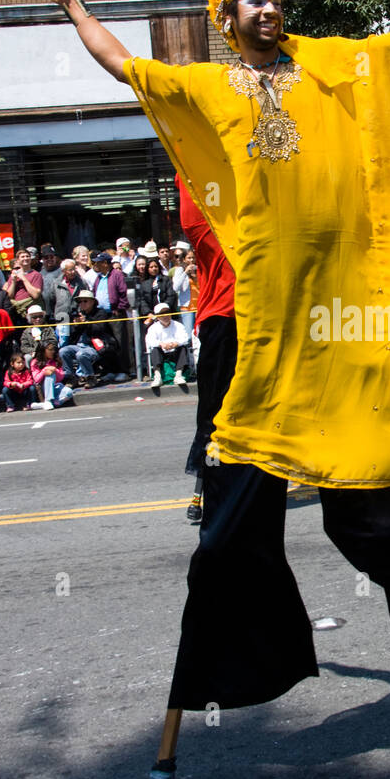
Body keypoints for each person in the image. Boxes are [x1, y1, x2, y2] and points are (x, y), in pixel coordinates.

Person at [27, 0, 390, 779]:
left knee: (384, 512)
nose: (273, 9)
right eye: (256, 1)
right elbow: (124, 64)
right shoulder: (206, 86)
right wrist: (70, 2)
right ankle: (194, 715)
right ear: (226, 17)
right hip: (259, 337)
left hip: (340, 333)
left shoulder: (323, 64)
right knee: (228, 541)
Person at [176, 171, 237, 524]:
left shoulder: (247, 227)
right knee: (214, 413)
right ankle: (203, 489)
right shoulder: (208, 233)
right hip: (224, 321)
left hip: (241, 320)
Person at [59, 290, 121, 384]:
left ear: (92, 302)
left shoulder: (100, 313)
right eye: (80, 301)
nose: (82, 303)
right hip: (79, 345)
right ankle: (71, 378)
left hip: (94, 346)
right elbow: (73, 336)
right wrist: (76, 325)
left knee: (81, 354)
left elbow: (99, 330)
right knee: (63, 351)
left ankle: (90, 378)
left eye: (85, 301)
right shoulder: (79, 315)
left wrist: (86, 323)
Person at [145, 302, 191, 391]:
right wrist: (161, 344)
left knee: (182, 348)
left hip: (174, 351)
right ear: (157, 317)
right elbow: (150, 340)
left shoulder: (178, 325)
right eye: (162, 314)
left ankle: (178, 375)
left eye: (167, 313)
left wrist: (176, 343)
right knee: (155, 350)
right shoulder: (153, 328)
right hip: (163, 352)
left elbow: (184, 338)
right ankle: (157, 376)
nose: (165, 316)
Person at [31, 339, 75, 409]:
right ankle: (48, 400)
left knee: (69, 392)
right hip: (43, 387)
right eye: (50, 350)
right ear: (43, 350)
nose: (53, 352)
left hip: (55, 387)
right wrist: (44, 370)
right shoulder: (35, 362)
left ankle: (49, 403)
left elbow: (61, 377)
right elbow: (36, 380)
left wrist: (55, 370)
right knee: (50, 374)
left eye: (53, 350)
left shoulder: (56, 360)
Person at [4, 248, 44, 320]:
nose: (25, 258)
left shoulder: (36, 275)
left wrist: (23, 278)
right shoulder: (13, 275)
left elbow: (35, 295)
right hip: (16, 311)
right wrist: (13, 281)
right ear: (18, 260)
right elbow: (9, 296)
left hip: (31, 311)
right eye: (22, 257)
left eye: (27, 256)